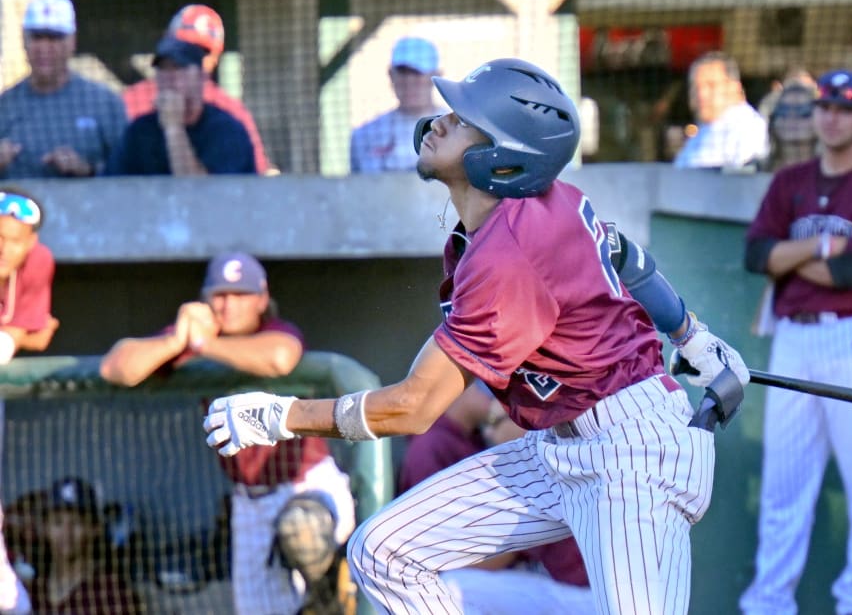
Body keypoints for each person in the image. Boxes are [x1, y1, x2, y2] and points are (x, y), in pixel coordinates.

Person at [201, 57, 750, 614]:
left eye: (464, 120)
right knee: (383, 552)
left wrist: (284, 415)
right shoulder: (547, 202)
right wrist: (692, 337)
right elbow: (628, 258)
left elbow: (411, 408)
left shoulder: (509, 253)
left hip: (633, 455)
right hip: (561, 446)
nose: (440, 121)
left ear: (503, 158)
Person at [98, 252, 355, 615]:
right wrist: (178, 341)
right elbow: (115, 367)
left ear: (262, 299)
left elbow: (280, 357)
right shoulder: (195, 339)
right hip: (249, 501)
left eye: (240, 294)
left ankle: (331, 593)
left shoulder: (273, 331)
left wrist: (203, 345)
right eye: (220, 295)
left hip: (306, 486)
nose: (229, 305)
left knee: (303, 530)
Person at [738, 69, 852, 615]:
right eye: (826, 106)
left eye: (847, 108)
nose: (833, 117)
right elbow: (756, 256)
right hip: (794, 340)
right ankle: (769, 603)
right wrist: (821, 246)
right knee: (783, 484)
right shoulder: (791, 181)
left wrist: (790, 256)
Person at [396, 381, 595, 614]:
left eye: (497, 421)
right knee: (454, 586)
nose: (491, 430)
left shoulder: (556, 443)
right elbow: (438, 555)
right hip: (559, 583)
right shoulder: (432, 445)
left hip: (590, 590)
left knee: (460, 586)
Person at [123, 4, 273, 174]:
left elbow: (259, 175)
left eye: (204, 52)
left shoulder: (231, 112)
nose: (197, 57)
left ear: (216, 57)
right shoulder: (134, 99)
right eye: (184, 47)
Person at [0, 0, 126, 179]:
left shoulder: (104, 103)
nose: (44, 48)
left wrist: (87, 170)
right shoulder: (5, 105)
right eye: (37, 37)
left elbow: (130, 175)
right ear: (24, 42)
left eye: (54, 38)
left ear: (71, 42)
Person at [106, 34, 255, 175]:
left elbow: (201, 190)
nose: (169, 76)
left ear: (202, 76)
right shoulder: (140, 130)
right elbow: (110, 183)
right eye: (163, 68)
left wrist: (173, 127)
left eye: (178, 67)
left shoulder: (226, 129)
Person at [29, 477, 142, 614]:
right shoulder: (31, 591)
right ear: (44, 528)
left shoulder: (113, 594)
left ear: (95, 529)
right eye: (57, 523)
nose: (67, 533)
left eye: (77, 523)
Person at [350, 37, 442, 173]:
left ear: (436, 77)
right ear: (391, 75)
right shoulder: (365, 136)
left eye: (417, 73)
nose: (409, 82)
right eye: (403, 72)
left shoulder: (454, 128)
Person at [673, 52, 768, 170]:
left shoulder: (749, 128)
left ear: (734, 88)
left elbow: (744, 177)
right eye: (697, 87)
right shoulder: (702, 133)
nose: (702, 94)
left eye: (711, 85)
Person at [0, 189, 58, 364]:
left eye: (15, 241)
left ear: (31, 242)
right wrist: (25, 340)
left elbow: (8, 342)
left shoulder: (38, 260)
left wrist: (15, 337)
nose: (4, 250)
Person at [762, 82, 818, 171]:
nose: (792, 117)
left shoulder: (835, 173)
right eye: (784, 110)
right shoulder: (754, 172)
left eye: (802, 110)